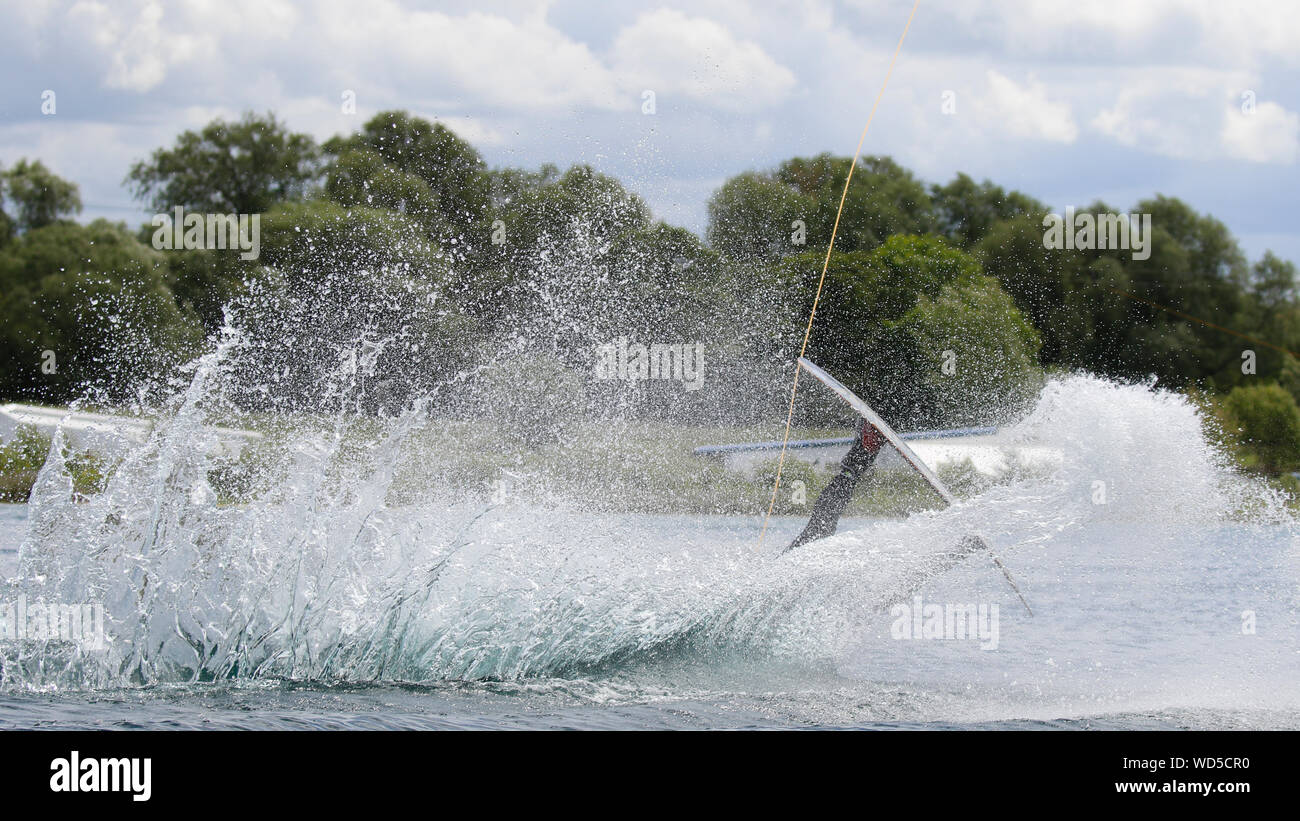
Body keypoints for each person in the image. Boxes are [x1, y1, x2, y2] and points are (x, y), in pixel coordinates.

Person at [785, 418, 885, 552]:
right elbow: (868, 444)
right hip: (838, 488)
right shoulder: (866, 440)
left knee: (819, 534)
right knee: (817, 533)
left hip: (842, 484)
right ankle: (789, 554)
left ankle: (790, 552)